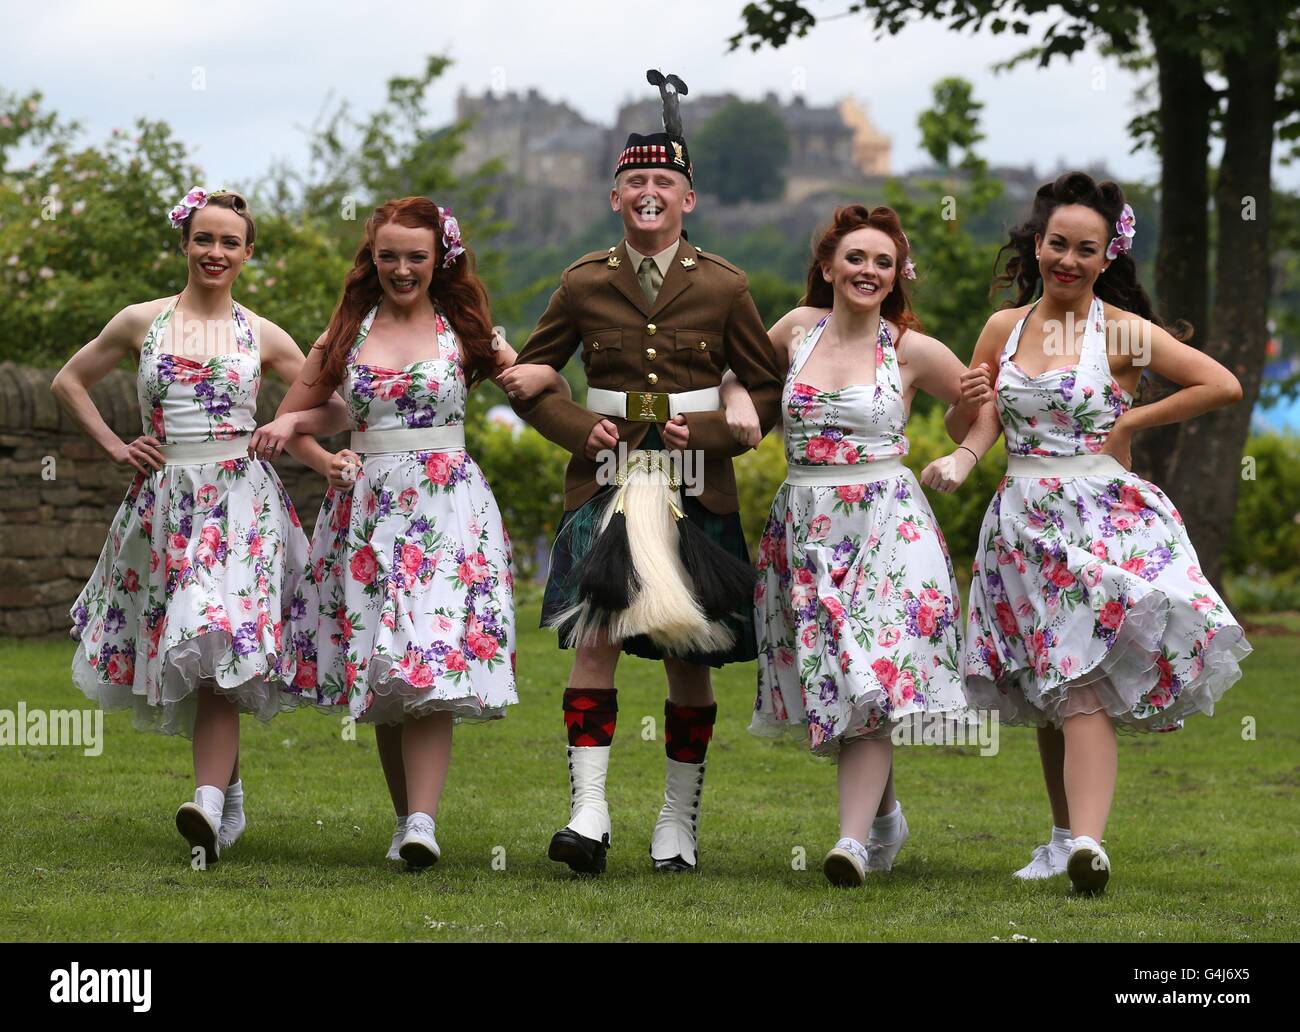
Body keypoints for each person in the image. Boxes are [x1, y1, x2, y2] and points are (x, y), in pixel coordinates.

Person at [508, 71, 784, 875]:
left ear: (688, 199)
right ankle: (587, 815)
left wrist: (711, 425)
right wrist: (576, 426)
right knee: (592, 638)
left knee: (688, 658)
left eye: (664, 181)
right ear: (614, 195)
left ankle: (677, 824)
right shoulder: (583, 281)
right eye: (636, 181)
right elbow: (529, 378)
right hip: (607, 481)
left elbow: (764, 389)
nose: (650, 193)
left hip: (696, 482)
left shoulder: (727, 285)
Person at [947, 172, 1252, 894]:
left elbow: (1221, 383)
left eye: (1086, 249)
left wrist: (1131, 419)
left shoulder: (1120, 330)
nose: (1069, 261)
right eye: (1059, 245)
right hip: (1020, 526)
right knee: (1054, 681)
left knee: (1078, 680)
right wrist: (963, 415)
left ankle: (1088, 843)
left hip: (1098, 524)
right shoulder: (1004, 328)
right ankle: (1061, 840)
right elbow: (976, 430)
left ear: (1106, 256)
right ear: (1038, 242)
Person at [276, 197, 562, 867]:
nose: (402, 269)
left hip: (446, 509)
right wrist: (327, 458)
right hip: (368, 509)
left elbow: (529, 385)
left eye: (416, 257)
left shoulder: (464, 329)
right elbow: (292, 423)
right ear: (371, 260)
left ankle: (424, 823)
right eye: (389, 256)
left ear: (440, 261)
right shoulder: (346, 331)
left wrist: (554, 375)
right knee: (386, 665)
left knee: (427, 652)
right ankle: (407, 821)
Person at [54, 187, 336, 863]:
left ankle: (207, 802)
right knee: (200, 646)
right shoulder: (139, 322)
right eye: (204, 239)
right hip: (166, 507)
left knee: (219, 642)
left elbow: (335, 406)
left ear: (247, 253)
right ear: (185, 244)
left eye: (229, 242)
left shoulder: (262, 334)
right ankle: (226, 797)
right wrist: (119, 447)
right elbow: (69, 381)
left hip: (241, 506)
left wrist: (287, 423)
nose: (215, 252)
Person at [722, 204, 994, 886]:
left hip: (887, 525)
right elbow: (739, 375)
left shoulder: (909, 348)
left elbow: (980, 407)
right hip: (806, 526)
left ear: (896, 275)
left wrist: (962, 455)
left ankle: (849, 842)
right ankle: (883, 818)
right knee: (844, 677)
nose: (868, 271)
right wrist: (734, 405)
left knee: (867, 671)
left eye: (882, 262)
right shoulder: (793, 332)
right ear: (827, 267)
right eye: (855, 258)